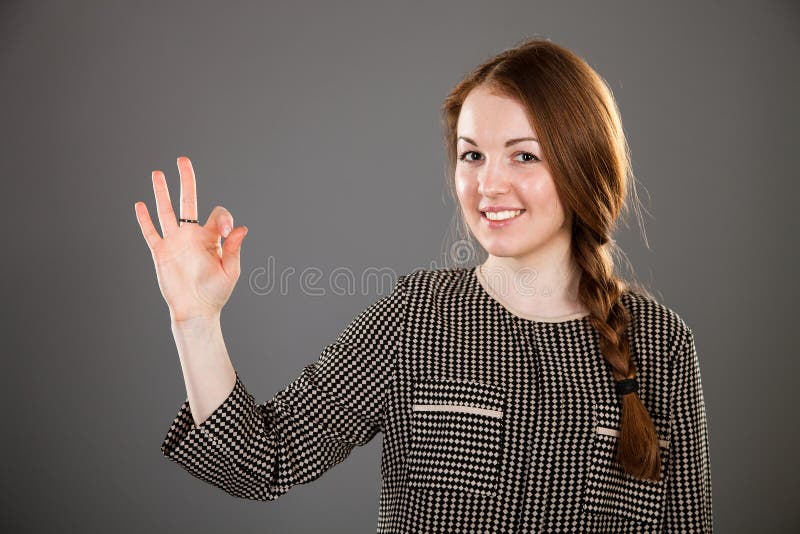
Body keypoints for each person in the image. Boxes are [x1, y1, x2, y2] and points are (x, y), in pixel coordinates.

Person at [134, 37, 713, 533]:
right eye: (472, 155)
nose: (488, 184)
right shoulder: (416, 315)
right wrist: (195, 321)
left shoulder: (660, 343)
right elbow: (263, 461)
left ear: (585, 164)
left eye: (524, 156)